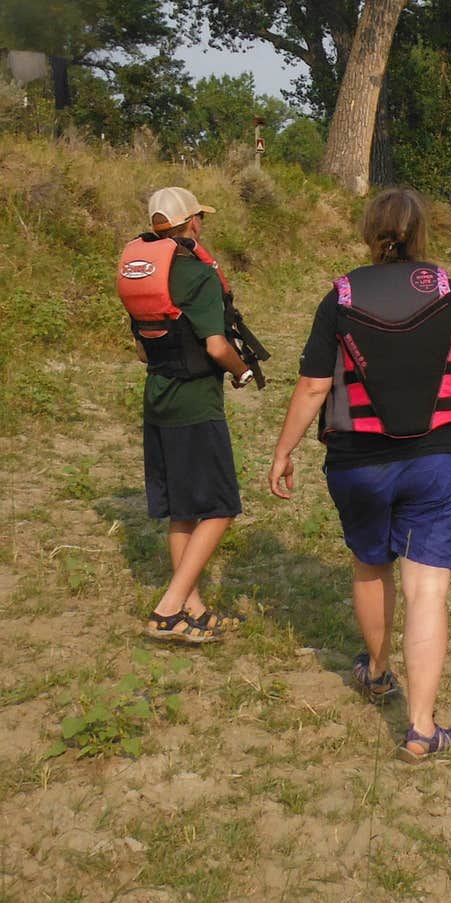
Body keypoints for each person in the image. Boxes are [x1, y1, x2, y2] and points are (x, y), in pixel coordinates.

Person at [267, 188, 451, 761]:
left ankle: (380, 671)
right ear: (422, 234)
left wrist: (283, 450)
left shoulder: (338, 297)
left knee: (370, 565)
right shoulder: (449, 293)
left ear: (369, 232)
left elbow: (315, 386)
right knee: (428, 588)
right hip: (439, 459)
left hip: (357, 462)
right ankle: (420, 728)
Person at [118, 186, 258, 644]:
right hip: (196, 405)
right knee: (220, 508)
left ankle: (192, 610)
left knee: (182, 512)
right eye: (201, 218)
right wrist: (241, 374)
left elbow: (142, 350)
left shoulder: (143, 272)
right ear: (192, 222)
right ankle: (169, 607)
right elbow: (216, 346)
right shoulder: (196, 276)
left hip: (156, 398)